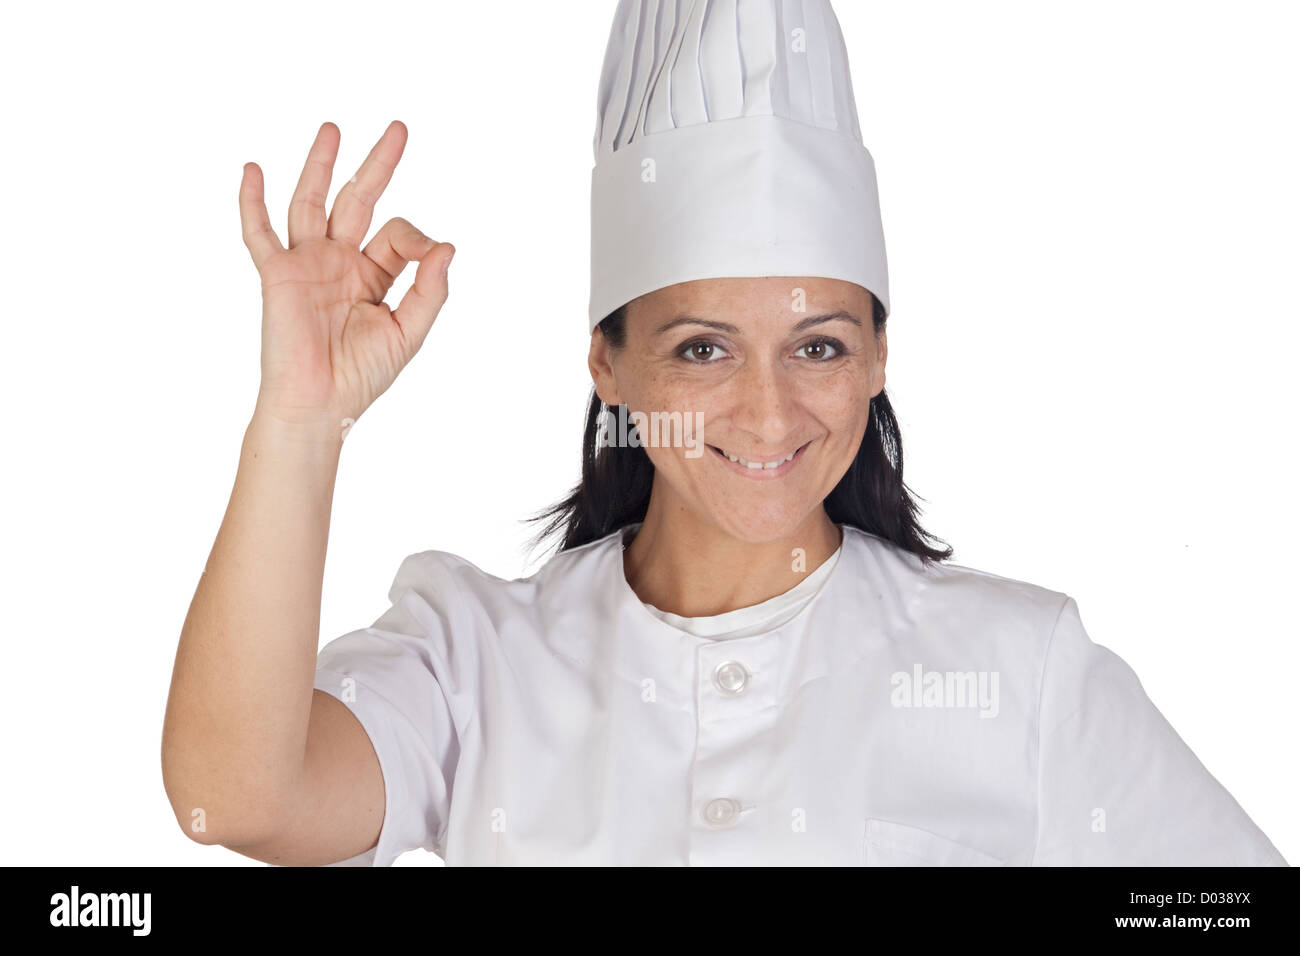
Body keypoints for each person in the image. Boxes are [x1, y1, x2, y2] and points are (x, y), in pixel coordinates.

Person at [161, 0, 1287, 866]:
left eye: (821, 344)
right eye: (701, 347)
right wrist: (302, 421)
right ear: (607, 362)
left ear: (880, 356)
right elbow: (234, 795)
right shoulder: (478, 664)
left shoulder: (1018, 668)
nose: (766, 410)